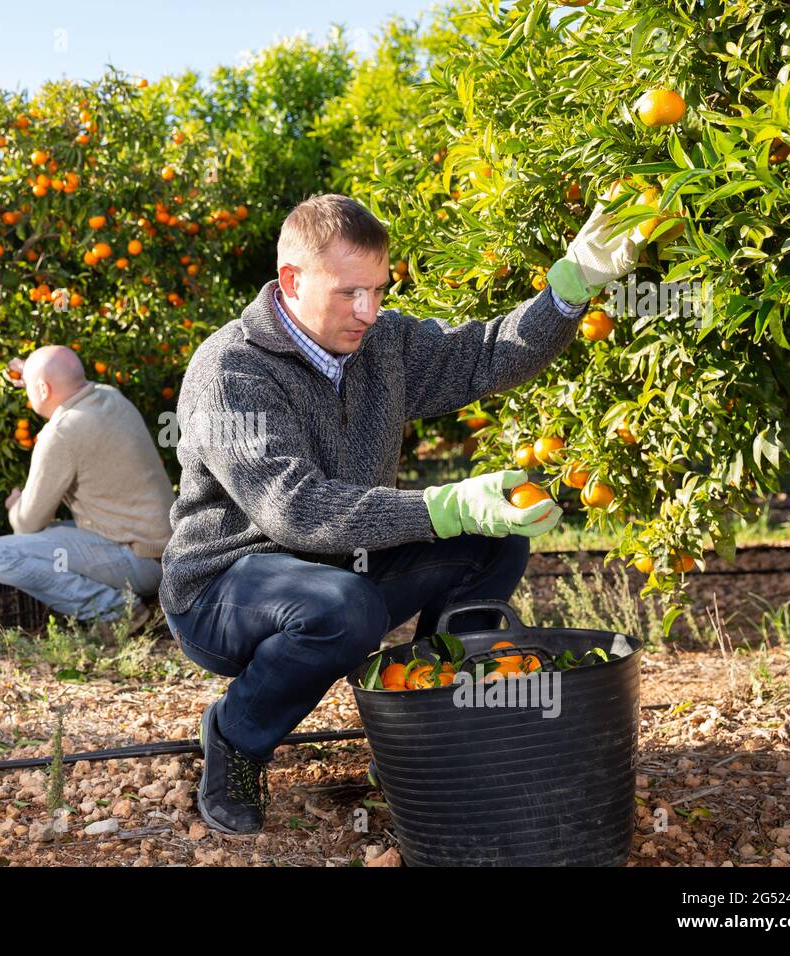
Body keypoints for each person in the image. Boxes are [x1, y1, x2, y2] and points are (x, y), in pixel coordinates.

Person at [160, 193, 645, 834]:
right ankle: (235, 740)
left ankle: (430, 727)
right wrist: (443, 506)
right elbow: (295, 509)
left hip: (344, 565)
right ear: (291, 281)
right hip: (226, 586)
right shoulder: (231, 372)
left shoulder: (382, 344)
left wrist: (569, 285)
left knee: (491, 545)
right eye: (349, 293)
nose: (369, 311)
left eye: (379, 291)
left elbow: (484, 354)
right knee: (344, 607)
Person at [0, 345, 174, 629]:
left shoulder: (60, 434)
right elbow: (64, 380)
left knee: (2, 554)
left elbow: (27, 524)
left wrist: (14, 508)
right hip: (166, 552)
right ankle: (137, 603)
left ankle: (119, 612)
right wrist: (37, 374)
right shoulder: (111, 396)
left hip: (137, 560)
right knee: (55, 533)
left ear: (44, 390)